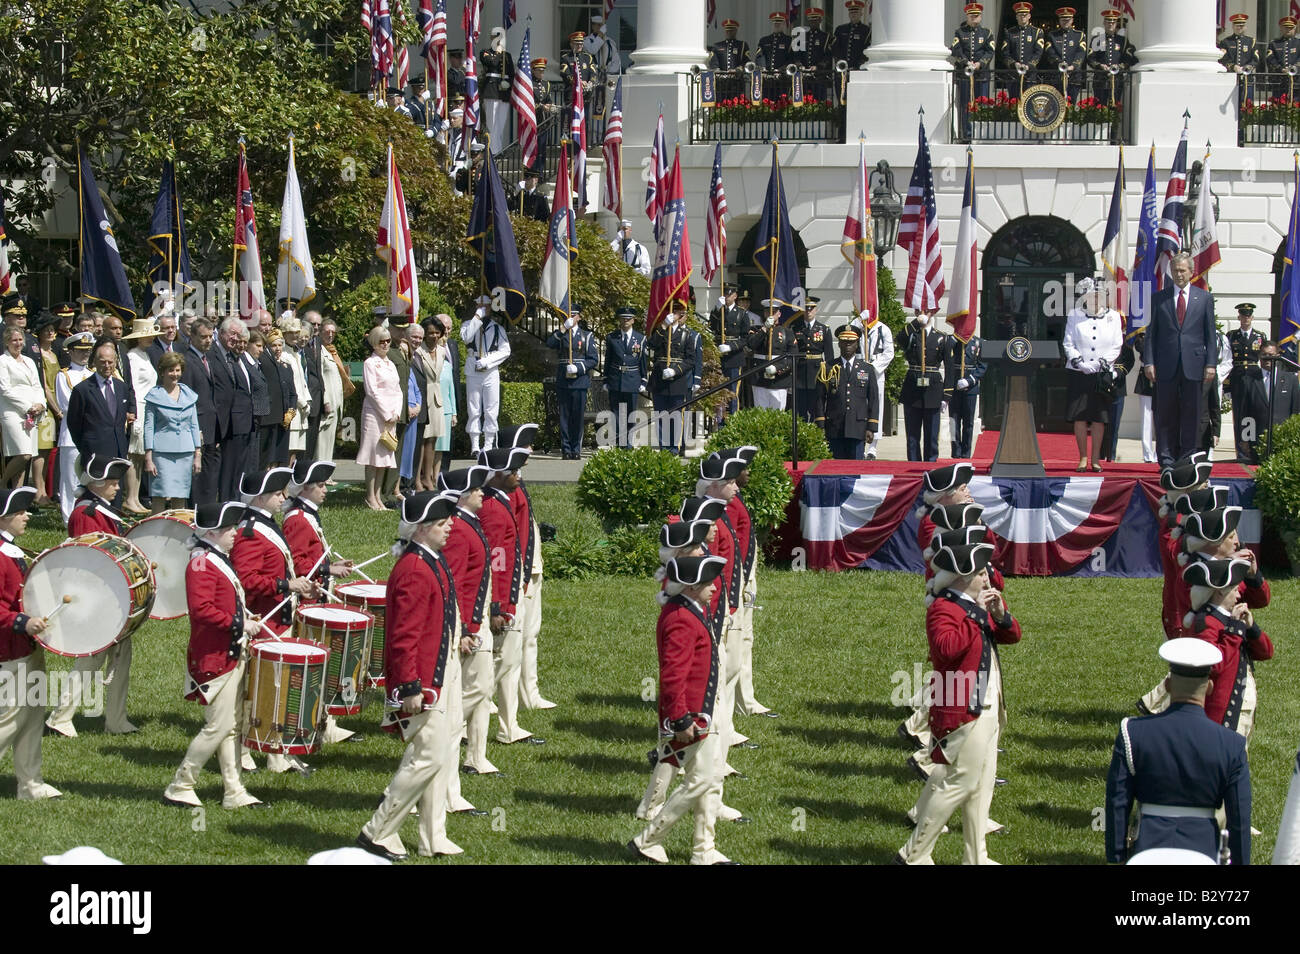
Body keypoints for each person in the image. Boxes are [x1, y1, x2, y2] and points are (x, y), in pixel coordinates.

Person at [896, 542, 1021, 865]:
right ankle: (913, 855)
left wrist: (999, 615)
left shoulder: (973, 604)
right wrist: (978, 612)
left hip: (989, 705)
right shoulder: (944, 608)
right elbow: (947, 649)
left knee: (980, 787)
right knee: (959, 783)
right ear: (960, 578)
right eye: (981, 573)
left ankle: (976, 857)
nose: (988, 578)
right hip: (963, 707)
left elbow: (1012, 635)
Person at [356, 492, 462, 862]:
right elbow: (404, 635)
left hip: (437, 672)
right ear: (422, 528)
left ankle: (432, 836)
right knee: (428, 758)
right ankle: (377, 831)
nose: (450, 526)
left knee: (436, 756)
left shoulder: (428, 560)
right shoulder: (415, 570)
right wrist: (410, 686)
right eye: (442, 522)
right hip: (421, 681)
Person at [1105, 638, 1251, 865]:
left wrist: (1116, 857)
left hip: (1147, 850)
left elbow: (1118, 802)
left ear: (1169, 684)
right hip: (1204, 852)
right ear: (1210, 687)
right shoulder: (1232, 745)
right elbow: (1239, 820)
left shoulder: (1132, 733)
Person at [627, 555, 731, 865]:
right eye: (707, 583)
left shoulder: (690, 610)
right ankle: (649, 839)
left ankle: (704, 850)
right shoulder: (681, 619)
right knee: (701, 781)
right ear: (691, 587)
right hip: (691, 717)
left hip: (702, 713)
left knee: (710, 779)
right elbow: (673, 674)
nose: (714, 588)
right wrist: (681, 717)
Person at [163, 501, 266, 810]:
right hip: (214, 655)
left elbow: (226, 598)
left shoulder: (216, 557)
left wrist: (244, 614)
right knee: (218, 726)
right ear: (211, 532)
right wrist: (241, 624)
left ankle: (234, 791)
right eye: (227, 529)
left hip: (229, 649)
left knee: (232, 724)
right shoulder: (201, 563)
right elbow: (202, 610)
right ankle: (181, 783)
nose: (234, 533)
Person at [231, 466, 320, 774]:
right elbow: (246, 579)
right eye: (277, 493)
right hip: (263, 617)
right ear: (261, 498)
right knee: (254, 691)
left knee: (277, 690)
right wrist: (286, 586)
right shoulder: (250, 532)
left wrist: (299, 585)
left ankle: (275, 752)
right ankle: (242, 751)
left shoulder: (266, 524)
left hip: (278, 617)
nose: (284, 497)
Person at [45, 455, 137, 737]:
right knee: (92, 658)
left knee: (121, 656)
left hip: (113, 594)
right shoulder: (86, 514)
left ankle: (116, 719)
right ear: (94, 483)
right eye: (110, 480)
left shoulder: (100, 509)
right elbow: (89, 558)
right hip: (98, 596)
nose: (116, 485)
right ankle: (60, 717)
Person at [0, 486, 62, 801]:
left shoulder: (13, 549)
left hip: (27, 648)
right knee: (11, 719)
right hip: (8, 651)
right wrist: (23, 622)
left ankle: (30, 784)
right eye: (20, 512)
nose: (26, 517)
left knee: (34, 715)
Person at [477, 445, 541, 747]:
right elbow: (495, 560)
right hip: (502, 593)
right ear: (498, 475)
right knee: (503, 662)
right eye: (512, 471)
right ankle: (477, 717)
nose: (518, 476)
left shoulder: (498, 502)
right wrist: (499, 604)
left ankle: (508, 723)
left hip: (510, 589)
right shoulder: (492, 508)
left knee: (511, 660)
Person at [439, 466, 499, 777]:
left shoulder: (467, 524)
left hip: (481, 619)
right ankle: (441, 733)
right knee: (480, 686)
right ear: (462, 496)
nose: (482, 493)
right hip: (472, 624)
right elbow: (456, 583)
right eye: (476, 490)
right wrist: (465, 628)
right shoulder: (459, 530)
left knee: (483, 689)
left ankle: (476, 755)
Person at [498, 423, 554, 713]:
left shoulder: (515, 482)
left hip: (531, 565)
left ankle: (529, 691)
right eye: (527, 445)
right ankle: (501, 696)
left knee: (530, 635)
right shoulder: (506, 488)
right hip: (521, 570)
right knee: (513, 639)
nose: (531, 451)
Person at [1143, 252, 1217, 467]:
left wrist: (1210, 364)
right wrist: (1149, 362)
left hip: (1194, 366)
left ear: (1191, 272)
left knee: (1191, 414)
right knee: (1165, 414)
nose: (1179, 274)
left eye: (1183, 270)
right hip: (1166, 366)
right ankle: (1166, 458)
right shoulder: (1159, 298)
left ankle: (1187, 457)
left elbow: (1210, 334)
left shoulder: (1204, 298)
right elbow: (1151, 335)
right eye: (1175, 270)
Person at [1063, 277, 1123, 471]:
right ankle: (1082, 457)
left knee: (1099, 417)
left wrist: (1100, 364)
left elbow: (1117, 345)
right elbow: (1068, 343)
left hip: (1101, 374)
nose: (1094, 300)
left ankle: (1096, 458)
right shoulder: (1074, 315)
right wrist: (1080, 362)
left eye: (1098, 296)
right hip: (1079, 372)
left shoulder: (1113, 317)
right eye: (1090, 296)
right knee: (1080, 416)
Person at [64, 340, 131, 506]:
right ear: (94, 362)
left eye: (110, 362)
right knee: (97, 496)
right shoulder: (82, 390)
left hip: (118, 451)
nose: (107, 365)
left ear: (116, 362)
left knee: (115, 493)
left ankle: (114, 527)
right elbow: (74, 424)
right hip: (95, 453)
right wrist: (87, 447)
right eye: (102, 362)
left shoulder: (121, 387)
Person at [143, 352, 202, 512]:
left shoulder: (189, 395)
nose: (174, 374)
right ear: (162, 372)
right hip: (161, 454)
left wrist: (198, 454)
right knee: (159, 495)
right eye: (170, 370)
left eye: (177, 370)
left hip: (185, 453)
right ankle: (156, 532)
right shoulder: (154, 396)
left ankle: (176, 532)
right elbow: (149, 427)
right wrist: (148, 457)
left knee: (180, 496)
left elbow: (194, 425)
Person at [813, 327, 879, 461]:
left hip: (857, 427)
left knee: (855, 469)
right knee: (836, 469)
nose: (848, 345)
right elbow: (819, 398)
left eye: (851, 342)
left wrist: (871, 427)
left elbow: (873, 399)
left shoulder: (867, 368)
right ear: (839, 343)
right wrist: (821, 424)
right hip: (834, 426)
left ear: (857, 344)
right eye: (844, 342)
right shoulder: (828, 367)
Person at [212, 317, 256, 504]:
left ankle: (236, 501)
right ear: (221, 333)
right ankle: (227, 502)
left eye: (239, 335)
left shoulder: (236, 357)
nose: (236, 339)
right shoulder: (216, 355)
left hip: (245, 422)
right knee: (229, 469)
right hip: (230, 423)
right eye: (232, 334)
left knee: (239, 468)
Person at [358, 326, 402, 512]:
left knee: (385, 456)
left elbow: (398, 390)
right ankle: (370, 496)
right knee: (372, 456)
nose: (385, 344)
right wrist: (386, 413)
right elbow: (372, 391)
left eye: (388, 341)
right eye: (381, 341)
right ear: (374, 343)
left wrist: (396, 413)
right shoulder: (370, 363)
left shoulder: (390, 364)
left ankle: (378, 496)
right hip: (375, 414)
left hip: (391, 415)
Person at [547, 303, 598, 460]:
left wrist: (579, 368)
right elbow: (550, 344)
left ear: (579, 317)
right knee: (564, 416)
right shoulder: (561, 334)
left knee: (577, 416)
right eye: (568, 315)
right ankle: (566, 449)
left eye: (574, 315)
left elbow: (593, 359)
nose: (571, 318)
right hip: (564, 380)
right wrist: (563, 329)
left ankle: (576, 449)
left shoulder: (586, 336)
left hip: (579, 381)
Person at [461, 296, 511, 455]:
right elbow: (467, 337)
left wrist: (488, 361)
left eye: (486, 306)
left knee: (491, 408)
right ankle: (475, 444)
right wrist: (477, 317)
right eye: (480, 305)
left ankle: (488, 443)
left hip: (490, 371)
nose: (483, 308)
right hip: (473, 368)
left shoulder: (497, 328)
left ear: (491, 307)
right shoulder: (469, 324)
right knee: (474, 408)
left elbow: (505, 350)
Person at [54, 332, 96, 521]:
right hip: (71, 435)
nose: (85, 354)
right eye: (80, 351)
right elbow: (67, 405)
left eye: (87, 350)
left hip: (92, 433)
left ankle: (87, 516)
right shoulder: (64, 376)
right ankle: (68, 518)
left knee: (90, 478)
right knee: (70, 479)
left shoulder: (94, 374)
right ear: (70, 352)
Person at [0, 325, 47, 489]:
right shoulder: (2, 361)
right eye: (14, 340)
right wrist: (28, 407)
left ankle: (16, 500)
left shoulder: (29, 361)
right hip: (12, 413)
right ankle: (2, 483)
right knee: (23, 454)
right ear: (7, 341)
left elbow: (37, 386)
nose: (18, 343)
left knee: (25, 458)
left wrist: (41, 404)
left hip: (32, 414)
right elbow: (5, 390)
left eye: (20, 339)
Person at [121, 317, 160, 513]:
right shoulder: (132, 357)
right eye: (148, 335)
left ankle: (135, 498)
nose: (151, 338)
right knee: (133, 454)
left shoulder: (145, 355)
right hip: (139, 407)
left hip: (148, 407)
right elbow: (133, 386)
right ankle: (130, 497)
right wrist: (133, 411)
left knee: (139, 455)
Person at [900, 310, 949, 462]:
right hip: (913, 387)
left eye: (927, 311)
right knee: (912, 435)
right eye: (920, 311)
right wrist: (916, 323)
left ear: (932, 313)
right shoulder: (911, 334)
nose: (923, 313)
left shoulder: (942, 337)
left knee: (932, 434)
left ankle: (930, 464)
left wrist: (946, 395)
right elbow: (899, 338)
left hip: (933, 388)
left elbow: (950, 367)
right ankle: (914, 464)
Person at [414, 317, 456, 491]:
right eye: (430, 332)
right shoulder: (417, 351)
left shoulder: (441, 351)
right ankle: (417, 479)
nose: (433, 336)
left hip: (437, 400)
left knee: (432, 441)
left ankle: (428, 478)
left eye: (437, 333)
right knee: (420, 441)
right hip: (423, 398)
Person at [1226, 302, 1266, 461]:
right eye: (1243, 316)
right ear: (1239, 317)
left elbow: (1263, 360)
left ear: (1252, 317)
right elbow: (1227, 361)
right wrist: (1227, 386)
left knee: (1255, 412)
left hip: (1255, 378)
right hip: (1238, 378)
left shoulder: (1260, 336)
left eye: (1248, 316)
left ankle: (1255, 450)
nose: (1246, 319)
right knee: (1240, 414)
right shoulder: (1232, 336)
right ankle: (1242, 452)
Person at [604, 307, 647, 449]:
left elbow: (643, 361)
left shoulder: (640, 339)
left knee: (630, 414)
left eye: (628, 319)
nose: (625, 321)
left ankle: (628, 442)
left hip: (632, 380)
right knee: (616, 414)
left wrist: (643, 379)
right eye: (623, 319)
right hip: (616, 380)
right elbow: (608, 360)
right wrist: (605, 379)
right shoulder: (612, 337)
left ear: (633, 320)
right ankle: (618, 442)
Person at [950, 4, 995, 137]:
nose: (974, 18)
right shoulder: (960, 32)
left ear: (980, 17)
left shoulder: (987, 33)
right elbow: (955, 49)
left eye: (976, 16)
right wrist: (966, 62)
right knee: (966, 105)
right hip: (965, 75)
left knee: (982, 104)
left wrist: (980, 64)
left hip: (981, 75)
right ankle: (967, 134)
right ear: (967, 17)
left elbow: (990, 51)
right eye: (971, 16)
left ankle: (982, 134)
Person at [789, 298, 833, 423]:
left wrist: (828, 374)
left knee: (817, 405)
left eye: (811, 309)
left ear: (816, 310)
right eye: (806, 309)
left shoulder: (824, 329)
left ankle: (817, 431)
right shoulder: (795, 328)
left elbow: (829, 354)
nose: (809, 311)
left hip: (817, 372)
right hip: (800, 371)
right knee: (801, 406)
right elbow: (793, 350)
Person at [944, 329, 986, 460]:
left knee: (968, 422)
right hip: (955, 385)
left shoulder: (979, 343)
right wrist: (952, 342)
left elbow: (982, 366)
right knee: (953, 421)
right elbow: (945, 355)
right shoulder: (952, 341)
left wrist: (969, 381)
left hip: (970, 388)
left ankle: (966, 453)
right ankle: (956, 452)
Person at [747, 300, 794, 411]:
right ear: (764, 314)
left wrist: (777, 368)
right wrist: (765, 329)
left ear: (779, 314)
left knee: (778, 413)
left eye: (774, 311)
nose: (771, 314)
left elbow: (792, 357)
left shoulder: (787, 332)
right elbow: (751, 344)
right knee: (760, 412)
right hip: (759, 377)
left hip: (779, 380)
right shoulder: (756, 330)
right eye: (768, 312)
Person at [32, 313, 60, 505]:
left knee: (48, 449)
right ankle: (38, 491)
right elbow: (46, 386)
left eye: (52, 329)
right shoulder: (39, 355)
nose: (51, 332)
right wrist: (57, 410)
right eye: (46, 330)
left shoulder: (54, 354)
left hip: (56, 404)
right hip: (47, 407)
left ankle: (45, 490)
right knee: (41, 451)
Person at [316, 319, 351, 467]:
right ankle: (319, 472)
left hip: (336, 403)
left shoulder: (332, 350)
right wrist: (325, 401)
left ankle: (326, 472)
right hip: (327, 403)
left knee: (330, 440)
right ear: (320, 332)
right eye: (327, 331)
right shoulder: (318, 350)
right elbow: (320, 378)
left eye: (333, 332)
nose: (330, 334)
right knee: (322, 441)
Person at [278, 315, 311, 465]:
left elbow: (302, 381)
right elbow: (289, 384)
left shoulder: (296, 353)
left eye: (297, 332)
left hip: (302, 410)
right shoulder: (284, 355)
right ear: (284, 334)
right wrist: (302, 402)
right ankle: (283, 487)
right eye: (291, 332)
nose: (295, 335)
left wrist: (307, 401)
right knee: (288, 450)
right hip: (294, 408)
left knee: (295, 451)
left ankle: (289, 485)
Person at [1088, 9, 1137, 107]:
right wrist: (1099, 65)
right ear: (1104, 23)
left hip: (1117, 80)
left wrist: (1120, 66)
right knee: (1100, 108)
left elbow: (1127, 59)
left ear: (1116, 24)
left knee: (1115, 107)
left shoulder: (1122, 40)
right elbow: (1090, 58)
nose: (1110, 24)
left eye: (1113, 22)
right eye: (1108, 22)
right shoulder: (1097, 40)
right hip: (1100, 80)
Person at [1000, 2, 1044, 96]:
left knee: (1029, 104)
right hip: (1013, 74)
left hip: (1030, 75)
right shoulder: (1010, 32)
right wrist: (1013, 64)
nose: (1022, 17)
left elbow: (1038, 53)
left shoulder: (1037, 32)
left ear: (1029, 16)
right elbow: (1005, 53)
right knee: (1014, 103)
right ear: (1016, 16)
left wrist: (1029, 65)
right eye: (1020, 15)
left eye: (1025, 15)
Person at [1044, 6, 1087, 102]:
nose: (1065, 22)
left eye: (1068, 20)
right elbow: (1050, 53)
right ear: (1059, 20)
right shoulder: (1052, 35)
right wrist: (1059, 63)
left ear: (1072, 20)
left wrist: (1073, 66)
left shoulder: (1079, 35)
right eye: (1063, 20)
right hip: (1056, 76)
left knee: (1071, 104)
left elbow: (1081, 53)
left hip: (1074, 77)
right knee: (1056, 105)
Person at [1220, 14, 1259, 104]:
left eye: (1242, 25)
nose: (1240, 27)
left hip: (1247, 79)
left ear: (1245, 27)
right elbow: (1223, 59)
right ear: (1233, 26)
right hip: (1231, 79)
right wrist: (1233, 66)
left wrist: (1248, 66)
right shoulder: (1226, 42)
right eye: (1237, 25)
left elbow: (1255, 58)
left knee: (1247, 106)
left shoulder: (1251, 41)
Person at [1267, 15, 1300, 100]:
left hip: (1296, 81)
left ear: (1294, 29)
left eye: (1291, 28)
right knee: (1277, 107)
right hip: (1278, 81)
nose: (1288, 30)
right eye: (1286, 27)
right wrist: (1281, 69)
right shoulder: (1274, 43)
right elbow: (1270, 59)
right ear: (1281, 28)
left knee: (1295, 108)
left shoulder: (1298, 43)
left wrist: (1294, 68)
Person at [832, 0, 871, 70]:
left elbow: (867, 48)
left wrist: (858, 65)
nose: (853, 14)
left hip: (858, 68)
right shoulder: (840, 29)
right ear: (849, 14)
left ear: (861, 13)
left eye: (856, 12)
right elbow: (835, 47)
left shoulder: (866, 30)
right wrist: (840, 62)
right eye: (851, 12)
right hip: (842, 68)